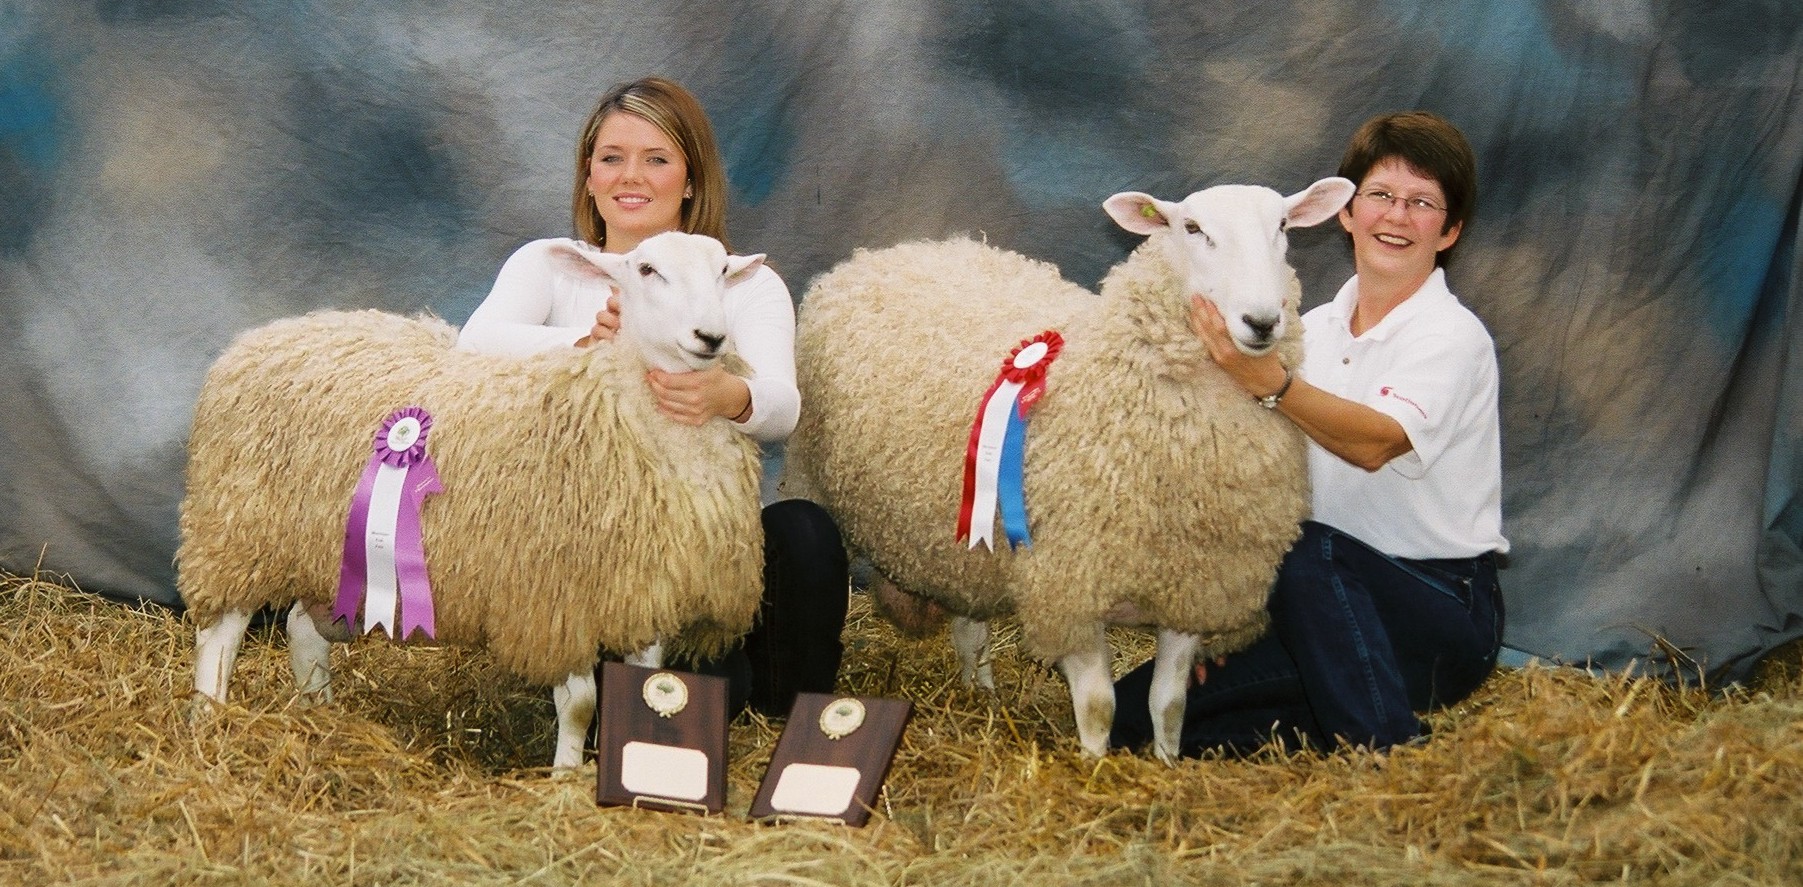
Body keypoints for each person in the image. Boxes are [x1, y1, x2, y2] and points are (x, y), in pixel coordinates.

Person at [1111, 110, 1507, 756]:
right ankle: (1342, 712)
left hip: (1437, 612)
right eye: (1379, 196)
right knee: (1140, 722)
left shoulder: (1450, 336)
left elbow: (1373, 443)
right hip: (1314, 610)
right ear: (1345, 213)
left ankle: (1386, 755)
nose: (1396, 217)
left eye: (1421, 203)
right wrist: (1224, 623)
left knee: (1309, 549)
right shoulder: (1309, 331)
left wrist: (1267, 381)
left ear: (1450, 229)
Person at [457, 76, 848, 717]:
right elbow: (476, 342)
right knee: (674, 692)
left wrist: (729, 396)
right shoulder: (552, 265)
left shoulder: (743, 281)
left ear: (690, 179)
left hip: (701, 550)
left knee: (803, 533)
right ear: (589, 177)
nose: (629, 177)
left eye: (657, 159)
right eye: (611, 159)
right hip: (585, 544)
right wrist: (589, 346)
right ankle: (626, 686)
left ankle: (788, 721)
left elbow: (782, 404)